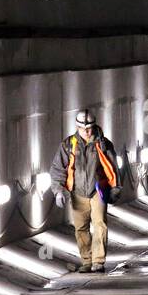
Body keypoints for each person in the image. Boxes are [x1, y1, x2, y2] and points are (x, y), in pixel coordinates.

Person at [48, 109, 120, 272]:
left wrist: (115, 188)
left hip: (98, 190)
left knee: (99, 224)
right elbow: (58, 169)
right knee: (81, 227)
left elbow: (114, 167)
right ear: (77, 127)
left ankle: (98, 261)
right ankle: (87, 261)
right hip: (77, 192)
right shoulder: (68, 145)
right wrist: (58, 190)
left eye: (89, 128)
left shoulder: (103, 144)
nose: (86, 131)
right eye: (83, 128)